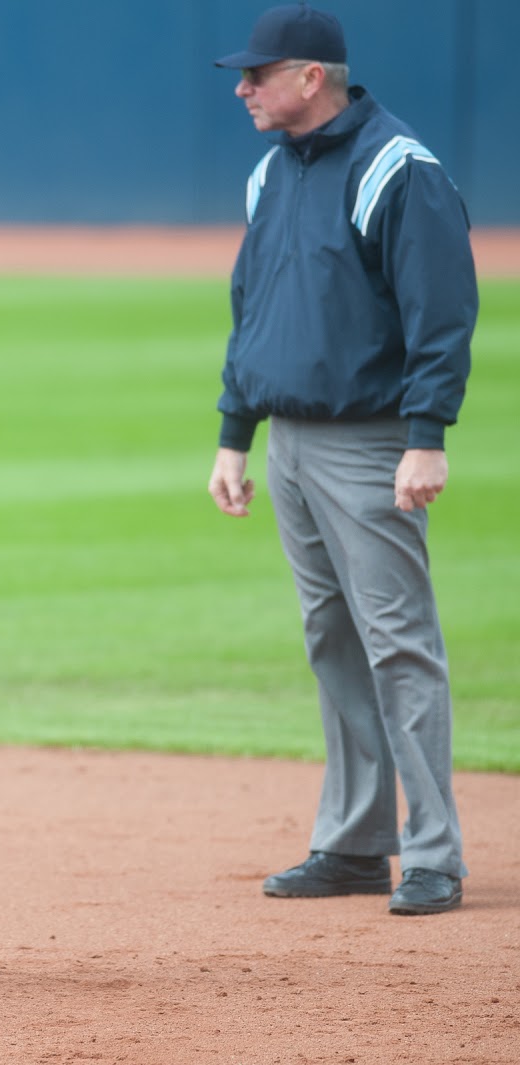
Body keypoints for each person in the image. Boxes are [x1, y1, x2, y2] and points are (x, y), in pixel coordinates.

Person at [207, 5, 477, 916]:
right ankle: (358, 840)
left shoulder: (398, 170)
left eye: (257, 74)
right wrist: (235, 433)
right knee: (332, 638)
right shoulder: (270, 173)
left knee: (399, 642)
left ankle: (435, 850)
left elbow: (441, 313)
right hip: (286, 441)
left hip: (370, 444)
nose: (242, 88)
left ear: (311, 77)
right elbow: (254, 310)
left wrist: (425, 435)